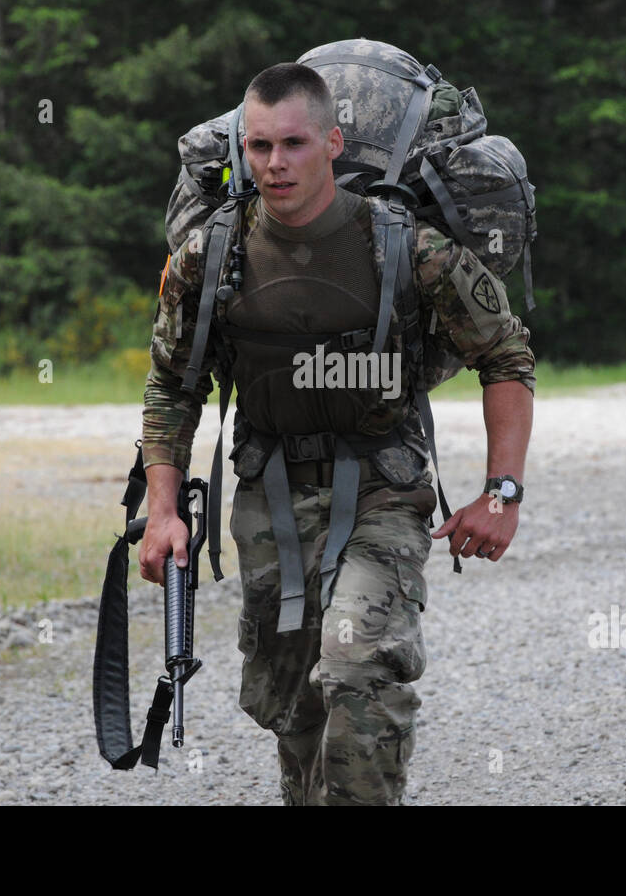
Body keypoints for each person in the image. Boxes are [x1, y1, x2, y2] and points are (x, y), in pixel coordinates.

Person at [138, 62, 535, 805]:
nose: (275, 163)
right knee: (296, 712)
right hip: (270, 500)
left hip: (384, 492)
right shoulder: (211, 256)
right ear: (242, 150)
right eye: (259, 147)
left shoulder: (407, 249)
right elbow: (171, 384)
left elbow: (505, 355)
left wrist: (501, 490)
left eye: (293, 143)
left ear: (333, 143)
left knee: (358, 669)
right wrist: (164, 512)